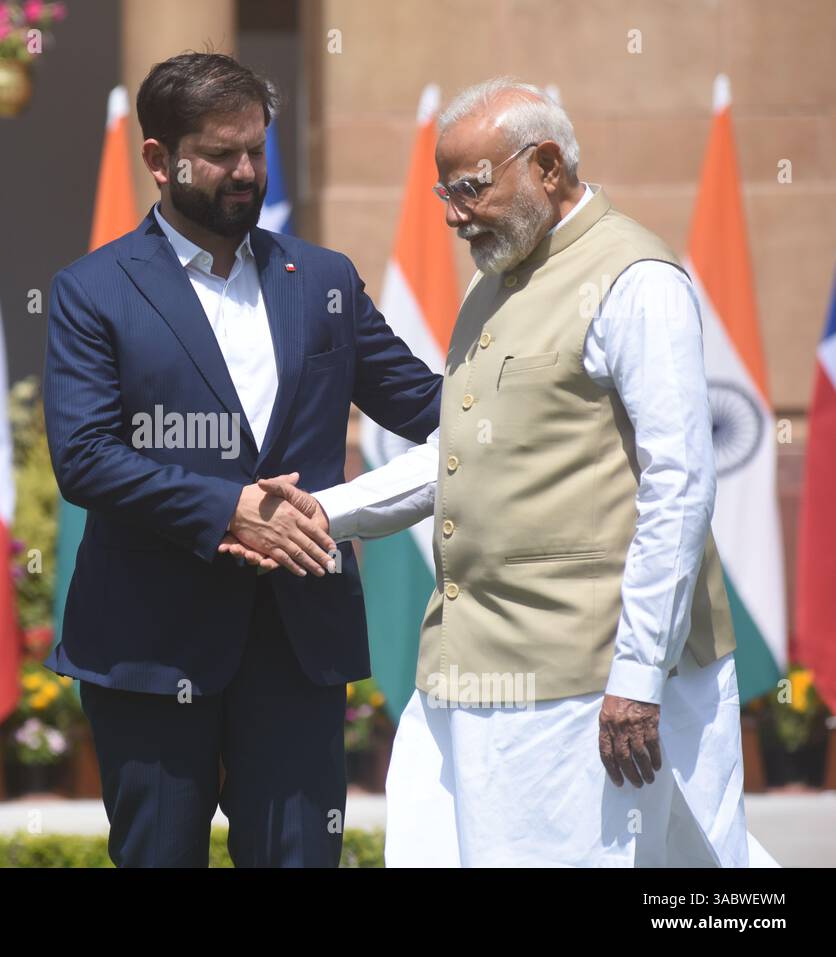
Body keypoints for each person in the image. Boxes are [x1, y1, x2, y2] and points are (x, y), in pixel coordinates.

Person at [232, 77, 757, 867]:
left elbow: (679, 487)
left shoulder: (637, 280)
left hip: (595, 682)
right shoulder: (495, 280)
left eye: (470, 188)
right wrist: (319, 514)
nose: (451, 213)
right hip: (469, 669)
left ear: (546, 164)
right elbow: (463, 454)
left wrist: (639, 676)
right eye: (445, 191)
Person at [42, 52, 441, 867]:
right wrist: (225, 508)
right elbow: (83, 457)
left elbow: (432, 406)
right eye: (221, 153)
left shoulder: (324, 280)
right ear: (159, 159)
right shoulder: (93, 290)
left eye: (257, 149)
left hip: (300, 641)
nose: (247, 172)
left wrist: (546, 385)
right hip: (149, 648)